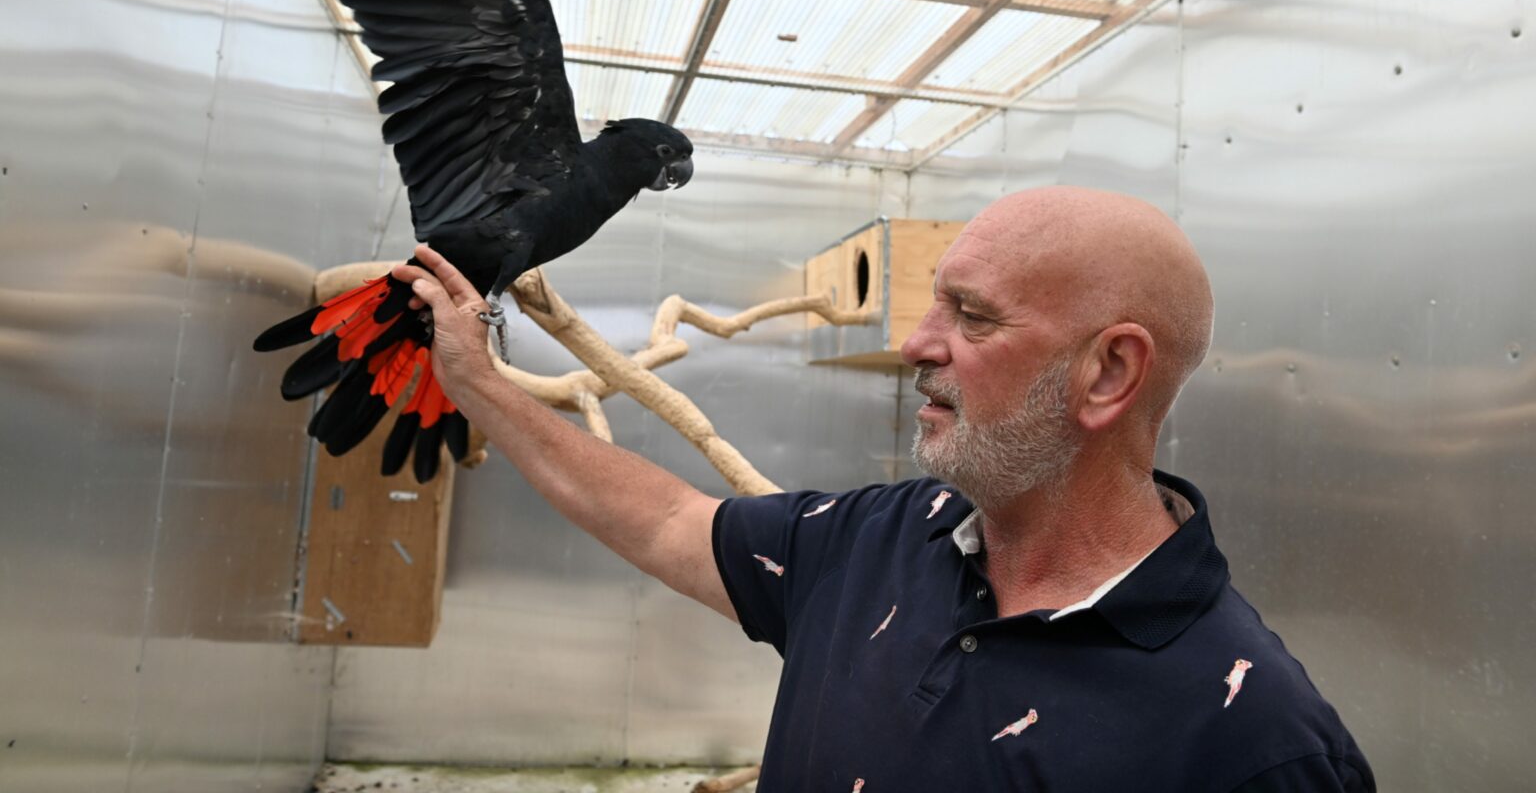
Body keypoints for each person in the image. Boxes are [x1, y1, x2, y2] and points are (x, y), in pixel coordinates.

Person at [394, 186, 1374, 792]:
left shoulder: (1254, 741)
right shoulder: (875, 539)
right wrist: (481, 384)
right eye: (932, 301)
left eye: (972, 316)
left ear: (1108, 373)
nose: (915, 344)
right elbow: (666, 519)